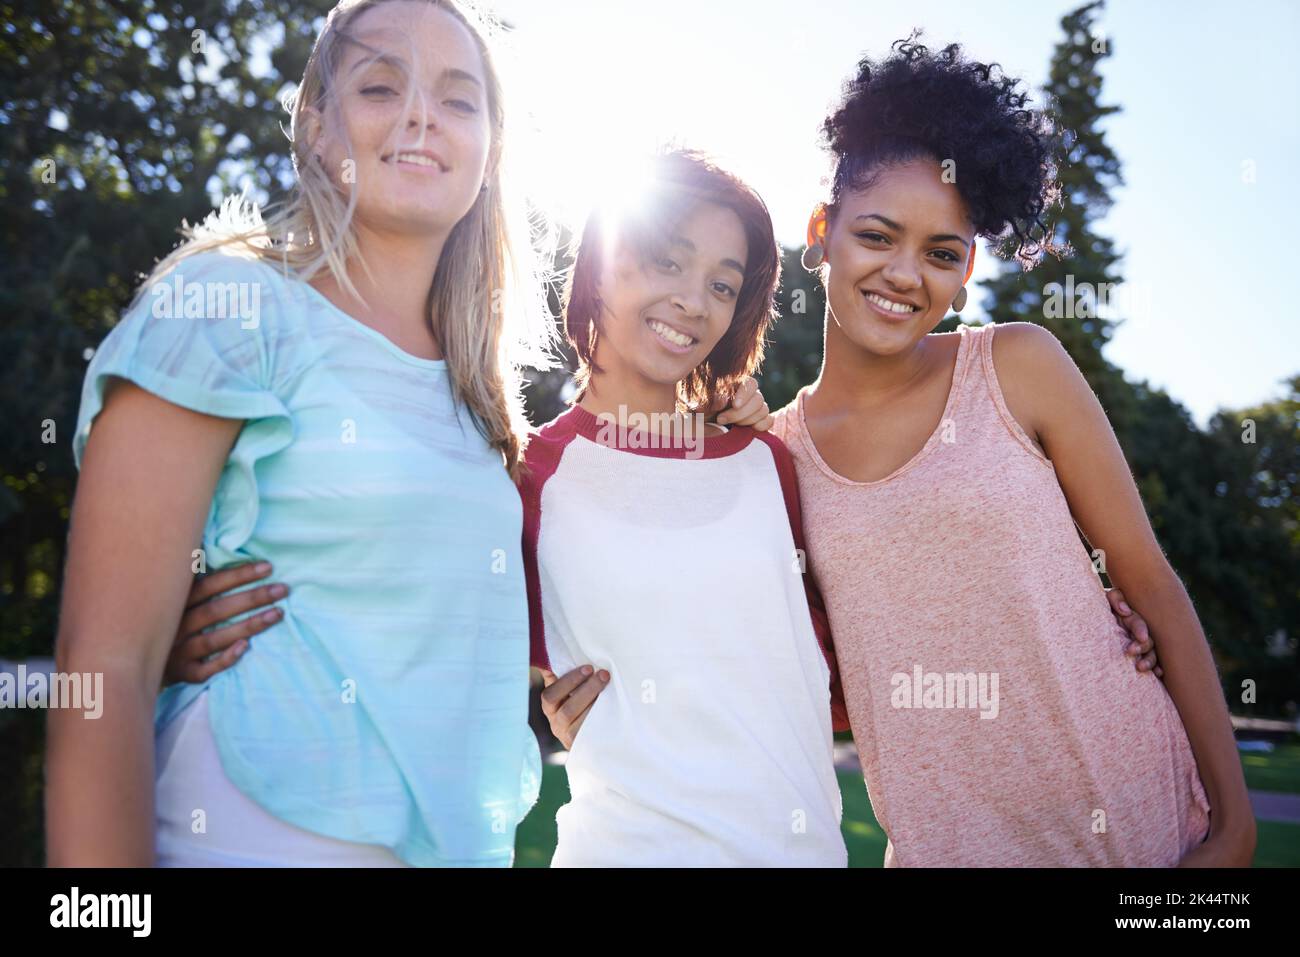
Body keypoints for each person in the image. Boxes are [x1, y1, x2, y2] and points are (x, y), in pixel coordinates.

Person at [48, 0, 559, 867]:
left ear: (491, 149)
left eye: (458, 98)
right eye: (378, 86)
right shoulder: (226, 306)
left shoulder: (480, 400)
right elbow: (101, 673)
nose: (419, 117)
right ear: (317, 128)